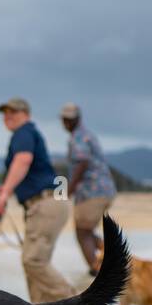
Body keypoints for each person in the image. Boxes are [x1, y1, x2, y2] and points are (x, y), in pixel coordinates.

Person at [0, 97, 74, 303]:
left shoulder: (24, 132)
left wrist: (4, 194)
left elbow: (23, 160)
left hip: (46, 202)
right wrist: (7, 188)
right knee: (33, 262)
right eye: (5, 112)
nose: (8, 116)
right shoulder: (27, 133)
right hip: (46, 202)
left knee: (33, 261)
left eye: (14, 112)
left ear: (26, 115)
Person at [60, 102, 116, 275]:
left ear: (77, 119)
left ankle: (97, 271)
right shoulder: (87, 134)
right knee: (88, 231)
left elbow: (82, 162)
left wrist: (68, 190)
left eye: (70, 119)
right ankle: (115, 261)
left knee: (82, 232)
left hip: (92, 192)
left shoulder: (78, 137)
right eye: (65, 119)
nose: (67, 123)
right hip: (105, 190)